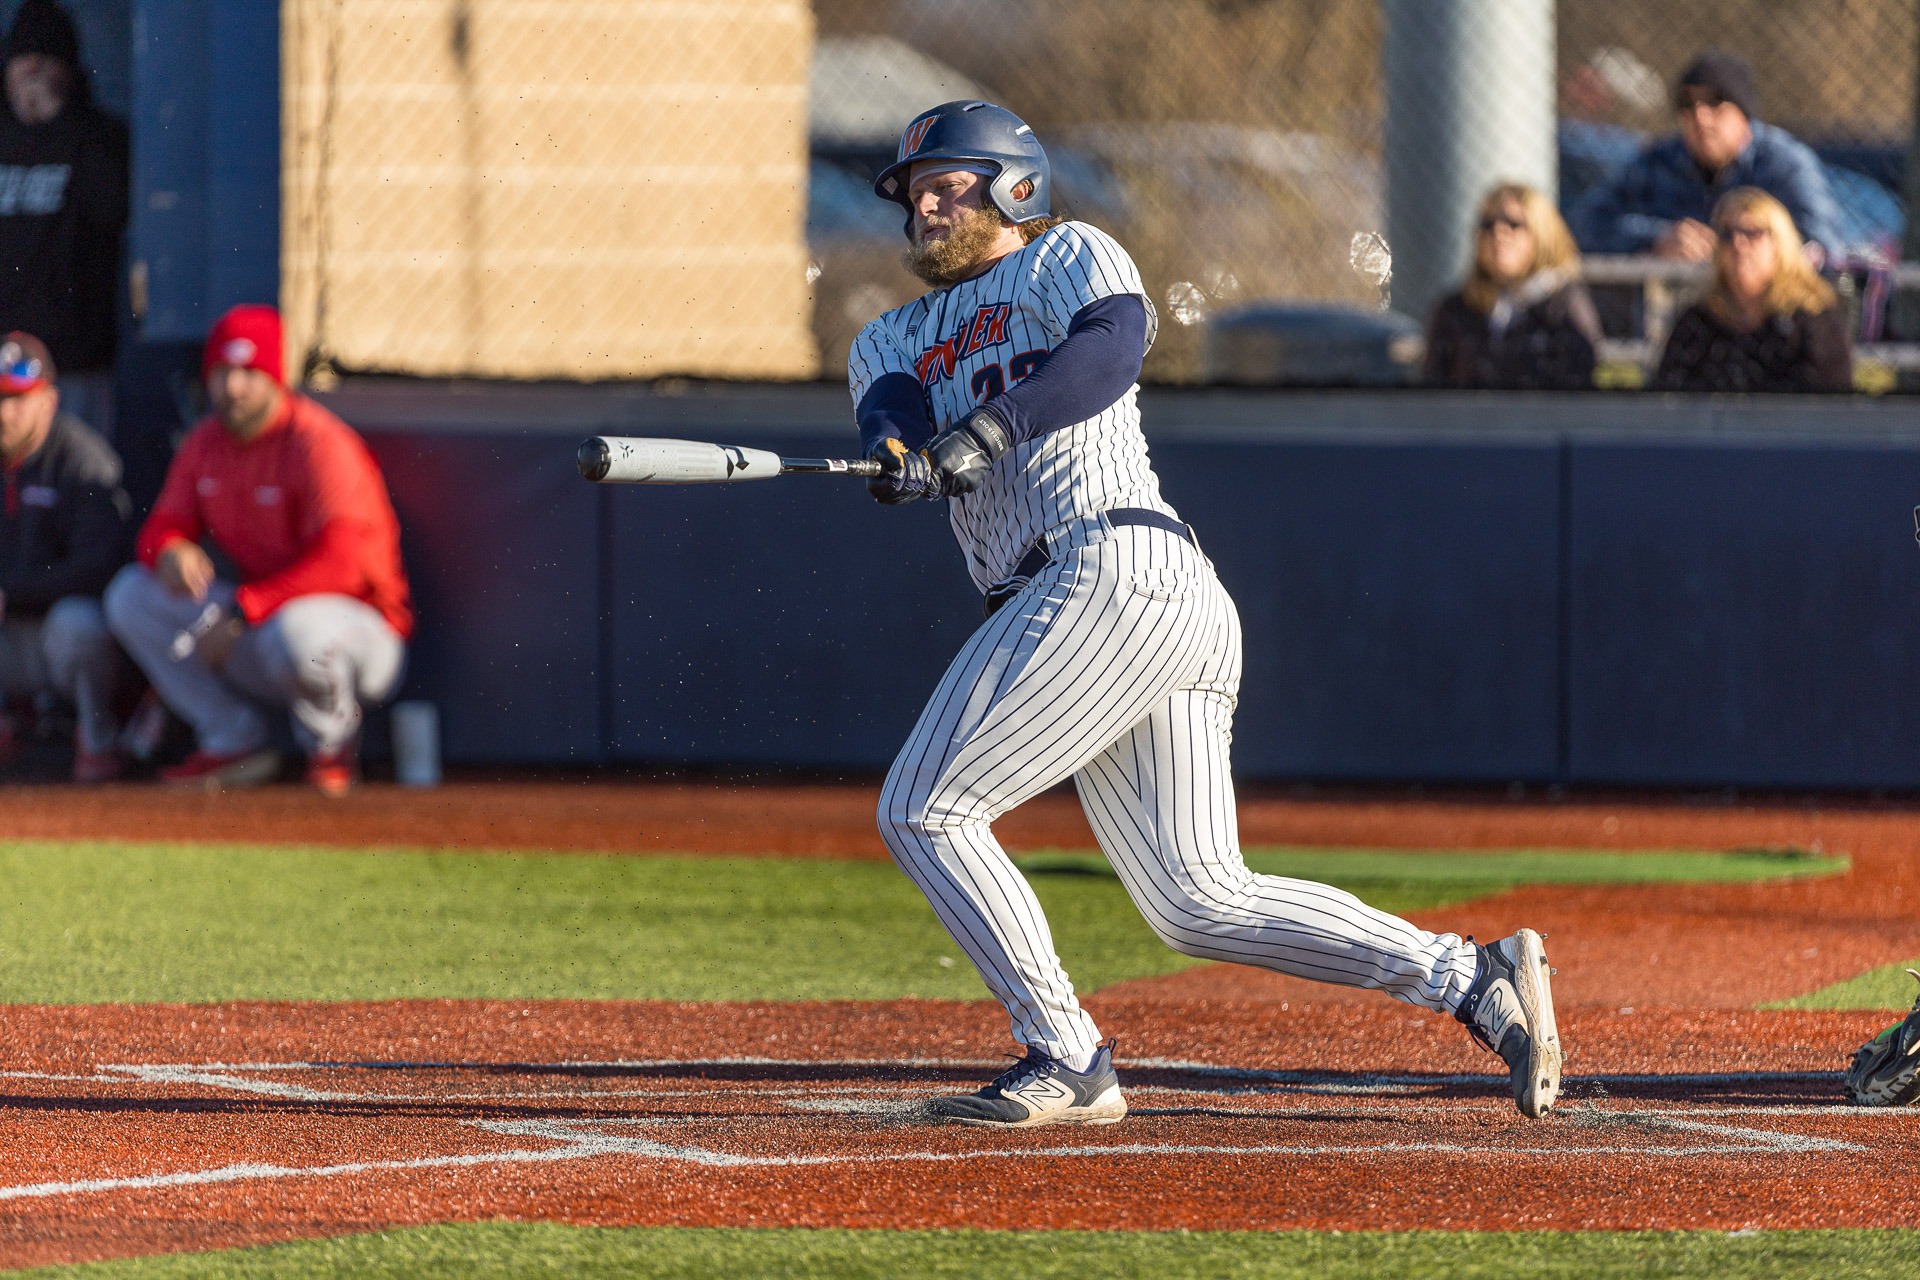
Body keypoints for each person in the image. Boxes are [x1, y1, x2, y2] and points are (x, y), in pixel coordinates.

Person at [849, 100, 1564, 1127]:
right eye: (912, 190)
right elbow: (897, 412)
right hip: (1103, 600)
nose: (922, 202)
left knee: (924, 805)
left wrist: (988, 433)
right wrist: (902, 457)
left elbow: (1114, 344)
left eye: (947, 182)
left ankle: (1066, 1053)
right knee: (1197, 897)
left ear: (1015, 185)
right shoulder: (889, 333)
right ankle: (1474, 975)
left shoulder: (1067, 256)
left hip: (1112, 566)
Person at [103, 305, 411, 795]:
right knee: (131, 595)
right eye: (223, 372)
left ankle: (331, 746)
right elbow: (163, 526)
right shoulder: (205, 442)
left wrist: (246, 609)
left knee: (299, 631)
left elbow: (344, 564)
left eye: (249, 372)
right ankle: (233, 739)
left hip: (361, 634)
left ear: (275, 377)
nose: (234, 387)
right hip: (262, 622)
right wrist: (170, 549)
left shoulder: (318, 442)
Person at [1567, 51, 1841, 263]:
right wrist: (1657, 239)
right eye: (1688, 105)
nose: (1700, 117)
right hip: (1681, 318)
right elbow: (1584, 224)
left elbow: (1821, 245)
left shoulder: (1784, 164)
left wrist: (1736, 245)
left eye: (1714, 102)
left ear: (1743, 113)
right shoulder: (1657, 161)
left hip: (1766, 318)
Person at [0, 329, 127, 780]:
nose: (4, 413)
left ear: (48, 400)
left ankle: (99, 741)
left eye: (17, 399)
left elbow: (97, 569)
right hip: (12, 636)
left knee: (79, 625)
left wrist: (11, 595)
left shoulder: (80, 458)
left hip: (59, 637)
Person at [0, 0, 128, 439]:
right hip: (4, 364)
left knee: (77, 477)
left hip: (75, 361)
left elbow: (111, 210)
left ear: (68, 70)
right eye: (22, 62)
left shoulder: (98, 137)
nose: (31, 73)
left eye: (44, 63)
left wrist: (58, 119)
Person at [1652, 187, 1852, 393]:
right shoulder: (1698, 322)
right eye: (1727, 235)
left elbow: (1833, 403)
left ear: (1779, 243)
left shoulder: (1813, 319)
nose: (1739, 245)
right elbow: (1667, 395)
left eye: (1752, 233)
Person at [1423, 183, 1601, 391]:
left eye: (1514, 224)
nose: (1499, 234)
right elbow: (1433, 387)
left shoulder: (1564, 307)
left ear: (1542, 233)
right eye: (1488, 224)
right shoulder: (1455, 309)